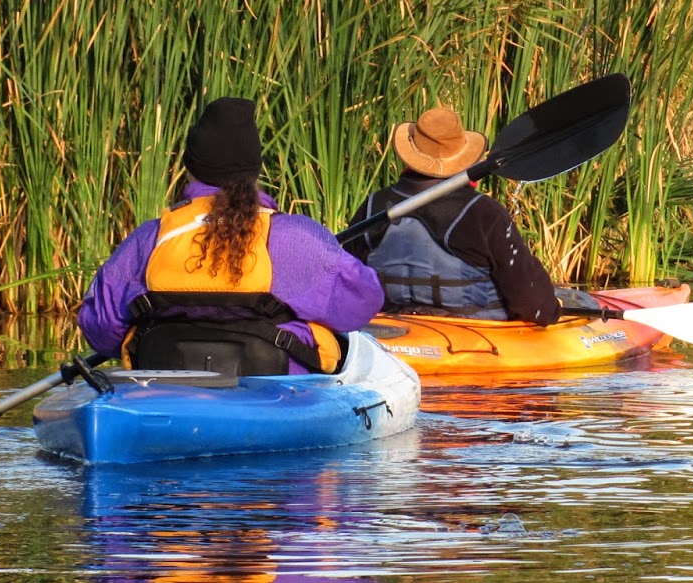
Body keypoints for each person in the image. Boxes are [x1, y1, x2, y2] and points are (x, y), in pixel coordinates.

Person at [77, 97, 385, 376]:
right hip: (277, 394)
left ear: (190, 170)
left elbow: (100, 330)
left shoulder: (148, 239)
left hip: (164, 390)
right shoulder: (296, 238)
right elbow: (362, 303)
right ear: (255, 172)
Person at [344, 105, 587, 325]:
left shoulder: (373, 206)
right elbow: (533, 303)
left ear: (409, 157)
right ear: (463, 161)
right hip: (476, 335)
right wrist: (551, 310)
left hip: (394, 332)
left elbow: (347, 283)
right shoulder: (483, 214)